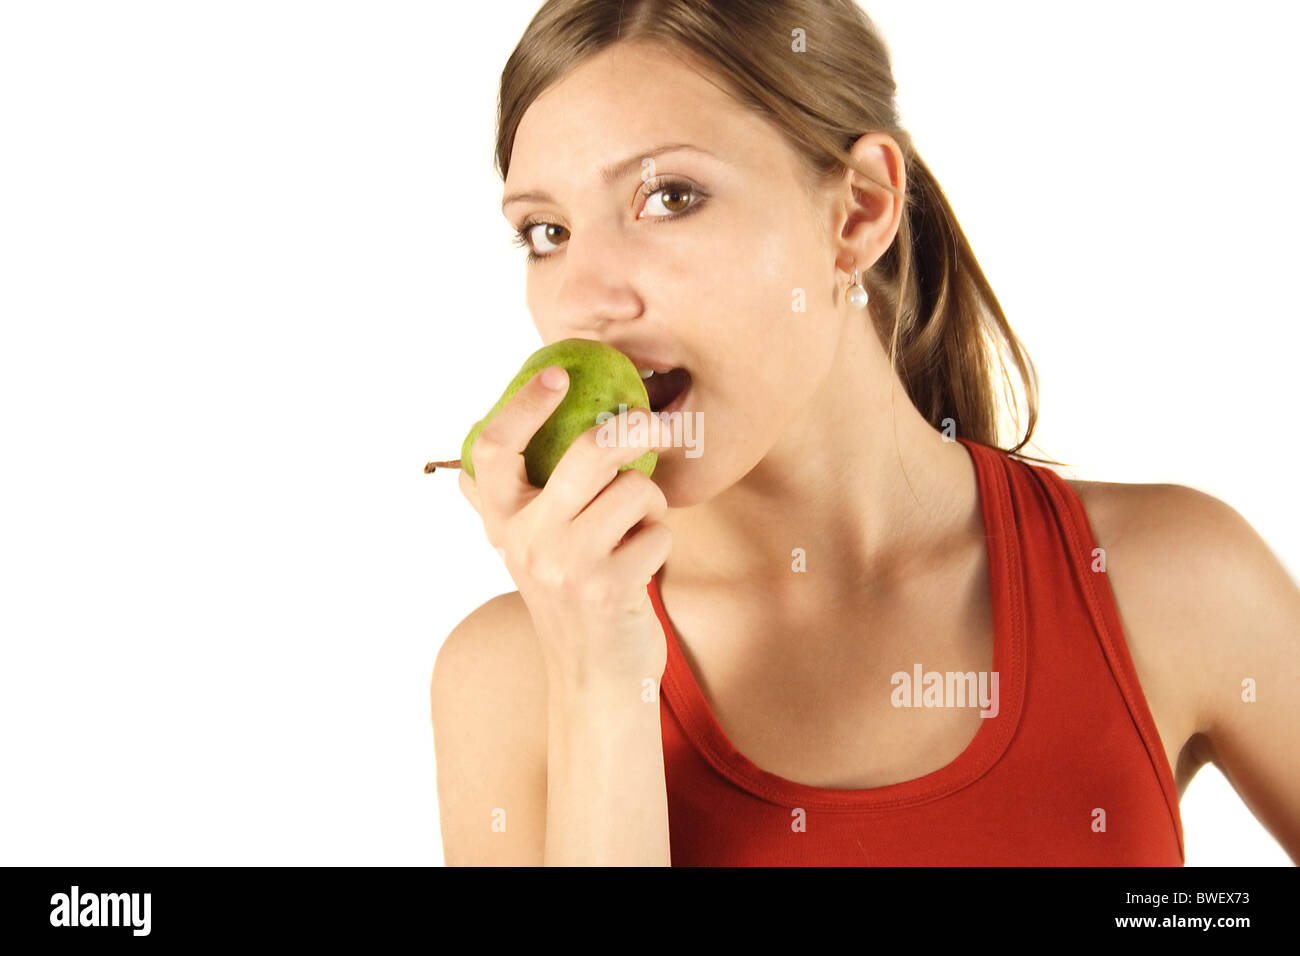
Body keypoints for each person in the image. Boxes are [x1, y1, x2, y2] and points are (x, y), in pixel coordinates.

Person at [431, 0, 1300, 866]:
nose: (584, 300)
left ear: (858, 212)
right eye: (546, 233)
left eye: (669, 197)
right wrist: (599, 682)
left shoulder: (1173, 579)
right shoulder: (511, 679)